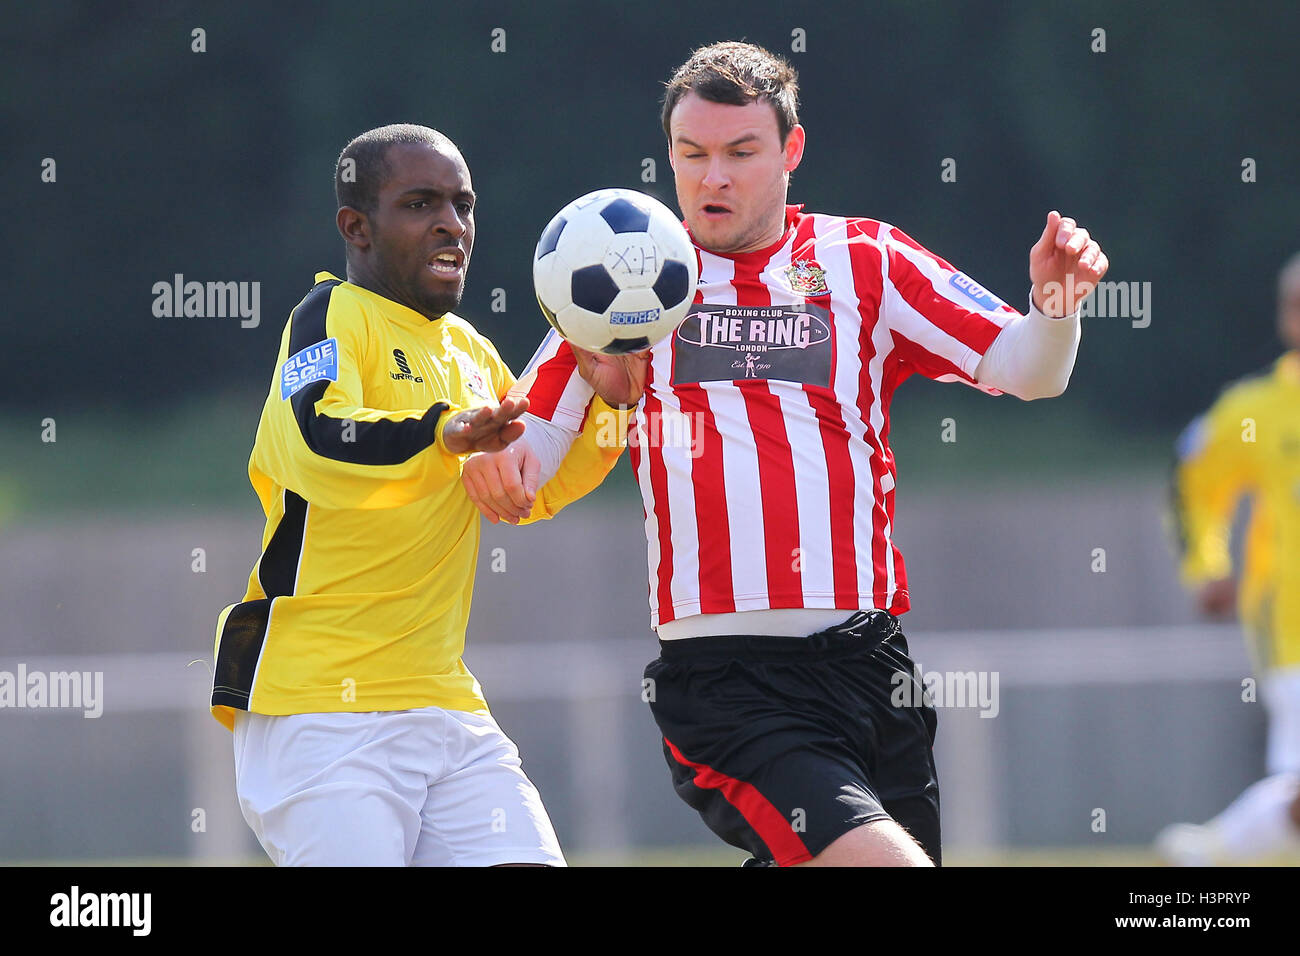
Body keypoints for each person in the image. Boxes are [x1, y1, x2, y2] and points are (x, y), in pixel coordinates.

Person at [463, 42, 1108, 866]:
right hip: (730, 685)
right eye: (691, 155)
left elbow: (1027, 370)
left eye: (740, 152)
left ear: (790, 151)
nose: (713, 178)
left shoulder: (865, 262)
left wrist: (1055, 306)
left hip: (873, 667)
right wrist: (500, 462)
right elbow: (541, 437)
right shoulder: (635, 279)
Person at [208, 124, 627, 866]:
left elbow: (530, 483)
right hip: (317, 711)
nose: (451, 224)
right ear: (356, 227)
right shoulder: (328, 317)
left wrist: (607, 405)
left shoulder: (471, 350)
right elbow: (317, 440)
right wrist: (446, 432)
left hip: (445, 706)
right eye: (421, 203)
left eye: (463, 205)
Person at [1157, 251, 1300, 865]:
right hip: (1292, 619)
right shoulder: (1256, 409)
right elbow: (1193, 482)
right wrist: (1208, 565)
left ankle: (1211, 852)